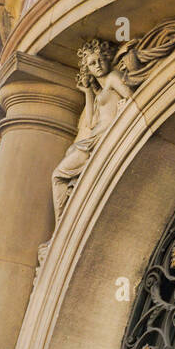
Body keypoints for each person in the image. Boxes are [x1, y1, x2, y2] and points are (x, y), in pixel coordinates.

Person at [51, 38, 133, 219]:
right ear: (87, 68)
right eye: (92, 63)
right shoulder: (99, 93)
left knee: (58, 175)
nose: (97, 65)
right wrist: (88, 92)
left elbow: (130, 96)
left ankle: (61, 224)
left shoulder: (113, 77)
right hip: (94, 138)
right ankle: (64, 222)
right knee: (68, 157)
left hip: (103, 138)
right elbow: (89, 123)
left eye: (100, 60)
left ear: (107, 58)